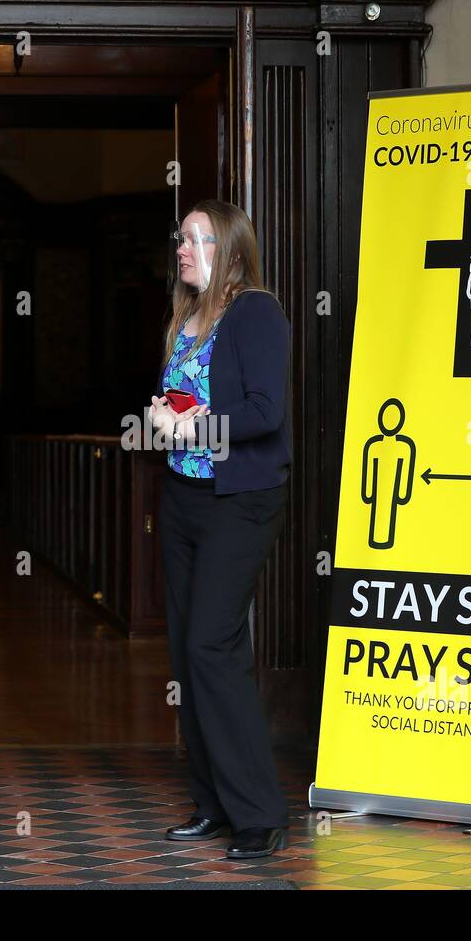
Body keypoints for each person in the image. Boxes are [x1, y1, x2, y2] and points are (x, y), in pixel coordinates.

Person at [146, 199, 291, 859]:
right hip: (183, 496)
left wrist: (190, 425)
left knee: (212, 646)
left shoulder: (255, 311)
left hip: (240, 499)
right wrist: (164, 413)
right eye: (182, 239)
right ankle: (211, 803)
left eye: (199, 239)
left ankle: (258, 812)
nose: (184, 248)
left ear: (231, 248)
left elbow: (263, 410)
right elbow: (191, 400)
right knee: (187, 650)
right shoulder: (184, 317)